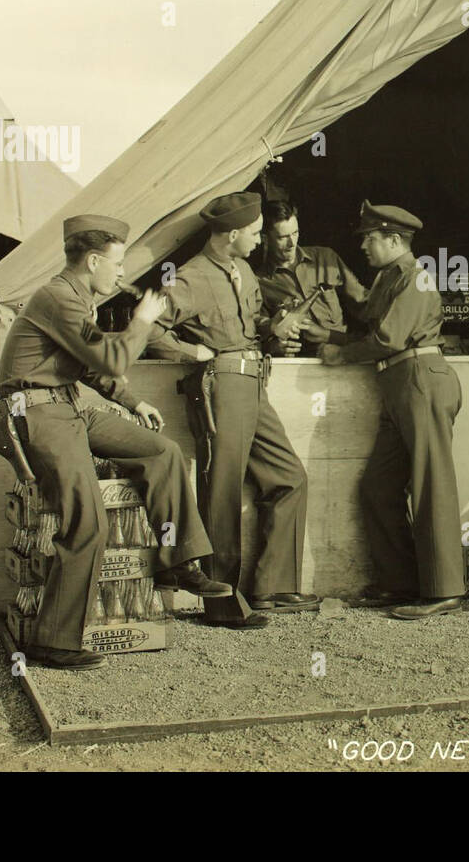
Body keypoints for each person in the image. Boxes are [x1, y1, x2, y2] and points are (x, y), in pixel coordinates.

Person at [0, 214, 232, 670]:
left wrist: (131, 401)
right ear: (92, 261)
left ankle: (176, 560)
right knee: (88, 523)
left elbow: (90, 367)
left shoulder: (73, 299)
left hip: (67, 407)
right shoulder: (58, 299)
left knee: (162, 452)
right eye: (117, 264)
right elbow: (114, 355)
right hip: (40, 414)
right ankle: (53, 641)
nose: (122, 274)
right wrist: (142, 321)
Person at [147, 192, 317, 627]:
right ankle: (222, 604)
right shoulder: (191, 277)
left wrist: (273, 327)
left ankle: (271, 588)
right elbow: (149, 328)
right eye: (257, 233)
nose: (261, 241)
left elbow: (253, 323)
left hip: (253, 383)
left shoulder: (241, 270)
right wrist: (192, 352)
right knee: (220, 493)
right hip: (219, 386)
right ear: (234, 234)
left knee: (289, 477)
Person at [318, 201, 465, 620]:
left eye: (370, 237)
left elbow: (386, 338)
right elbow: (366, 326)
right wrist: (324, 333)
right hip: (399, 386)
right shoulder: (389, 278)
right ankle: (400, 583)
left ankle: (444, 590)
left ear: (394, 240)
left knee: (431, 485)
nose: (364, 245)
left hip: (421, 380)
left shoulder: (415, 280)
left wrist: (338, 355)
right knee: (379, 488)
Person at [254, 199, 370, 357]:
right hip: (301, 366)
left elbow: (365, 304)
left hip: (343, 355)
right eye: (282, 237)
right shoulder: (259, 282)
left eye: (295, 233)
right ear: (265, 239)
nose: (292, 243)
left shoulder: (326, 259)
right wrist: (275, 347)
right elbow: (259, 335)